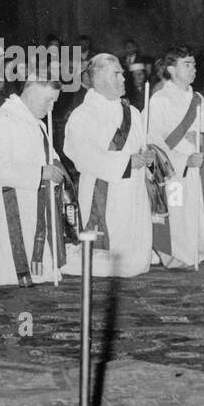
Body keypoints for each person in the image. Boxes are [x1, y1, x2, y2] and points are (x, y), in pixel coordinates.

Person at [64, 54, 153, 278]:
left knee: (133, 253)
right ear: (99, 77)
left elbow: (140, 146)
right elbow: (81, 155)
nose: (124, 78)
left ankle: (134, 260)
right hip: (104, 187)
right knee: (105, 257)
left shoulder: (132, 112)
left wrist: (147, 158)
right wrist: (126, 162)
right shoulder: (83, 114)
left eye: (122, 73)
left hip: (133, 187)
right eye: (117, 73)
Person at [0, 79, 73, 287]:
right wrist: (41, 172)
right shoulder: (3, 119)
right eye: (48, 101)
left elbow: (50, 158)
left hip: (35, 198)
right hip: (13, 199)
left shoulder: (36, 122)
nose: (52, 108)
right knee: (12, 265)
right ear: (31, 95)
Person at [147, 46, 204, 268]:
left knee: (193, 209)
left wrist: (202, 140)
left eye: (194, 64)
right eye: (187, 65)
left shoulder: (199, 99)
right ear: (172, 69)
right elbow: (153, 140)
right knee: (176, 210)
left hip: (196, 168)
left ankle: (194, 252)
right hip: (172, 172)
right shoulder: (160, 99)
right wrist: (183, 160)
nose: (194, 69)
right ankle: (174, 253)